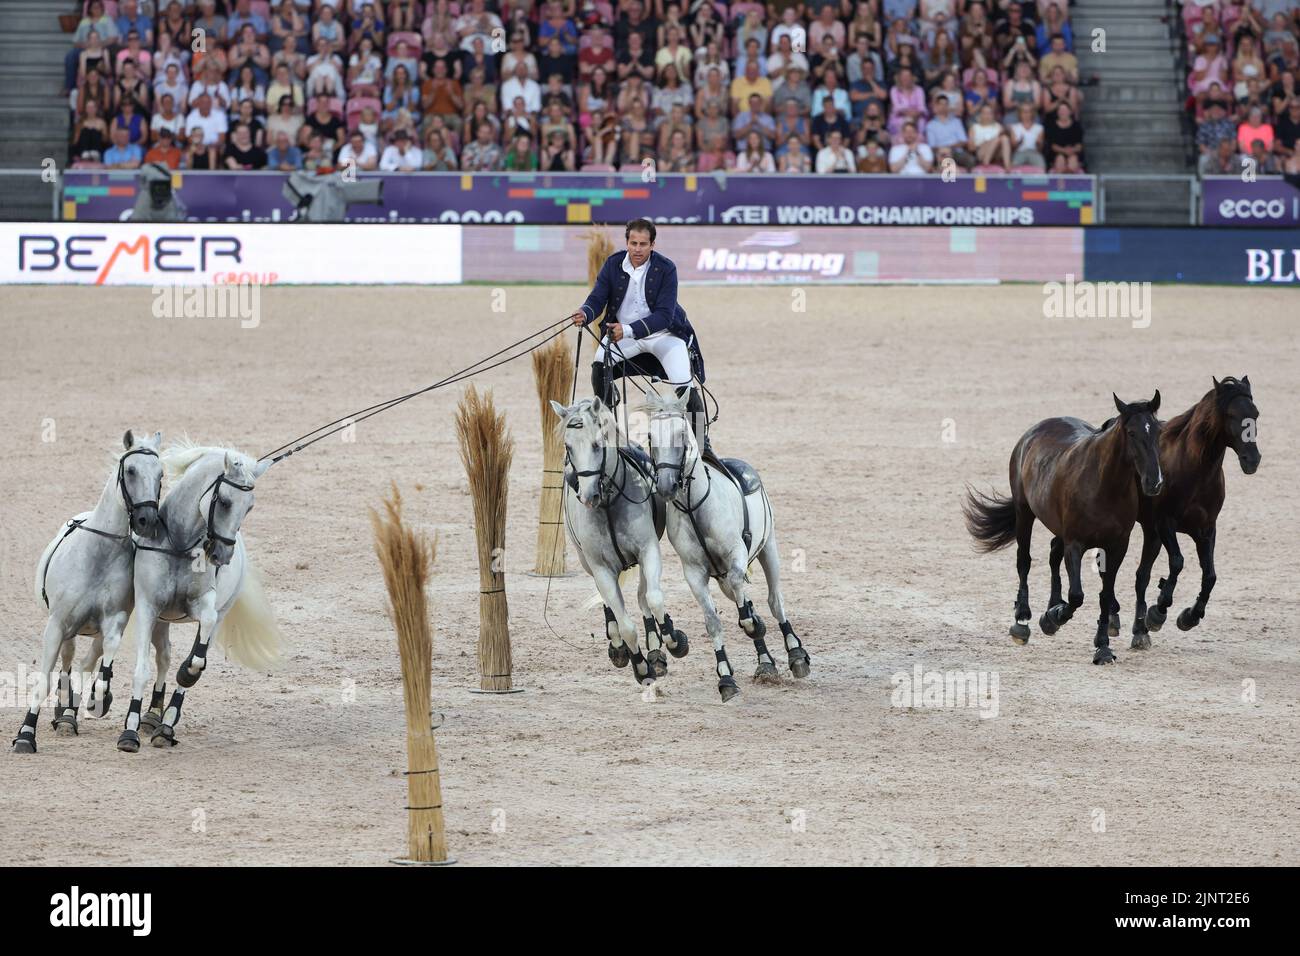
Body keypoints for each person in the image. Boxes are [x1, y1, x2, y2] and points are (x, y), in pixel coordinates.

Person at [568, 218, 718, 460]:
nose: (637, 249)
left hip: (664, 336)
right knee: (599, 365)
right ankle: (609, 431)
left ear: (652, 245)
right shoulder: (613, 264)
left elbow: (664, 316)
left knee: (685, 386)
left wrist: (627, 330)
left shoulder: (667, 268)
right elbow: (597, 298)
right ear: (627, 242)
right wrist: (585, 312)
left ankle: (704, 446)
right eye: (633, 243)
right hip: (624, 335)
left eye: (643, 244)